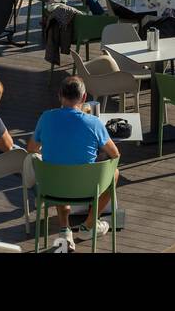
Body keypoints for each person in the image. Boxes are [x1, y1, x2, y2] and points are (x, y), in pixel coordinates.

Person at [26, 75, 120, 251]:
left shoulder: (46, 118)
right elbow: (115, 154)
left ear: (59, 95)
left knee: (57, 165)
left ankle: (64, 230)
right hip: (87, 189)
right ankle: (89, 225)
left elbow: (31, 148)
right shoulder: (93, 122)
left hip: (53, 188)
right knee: (114, 173)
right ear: (84, 98)